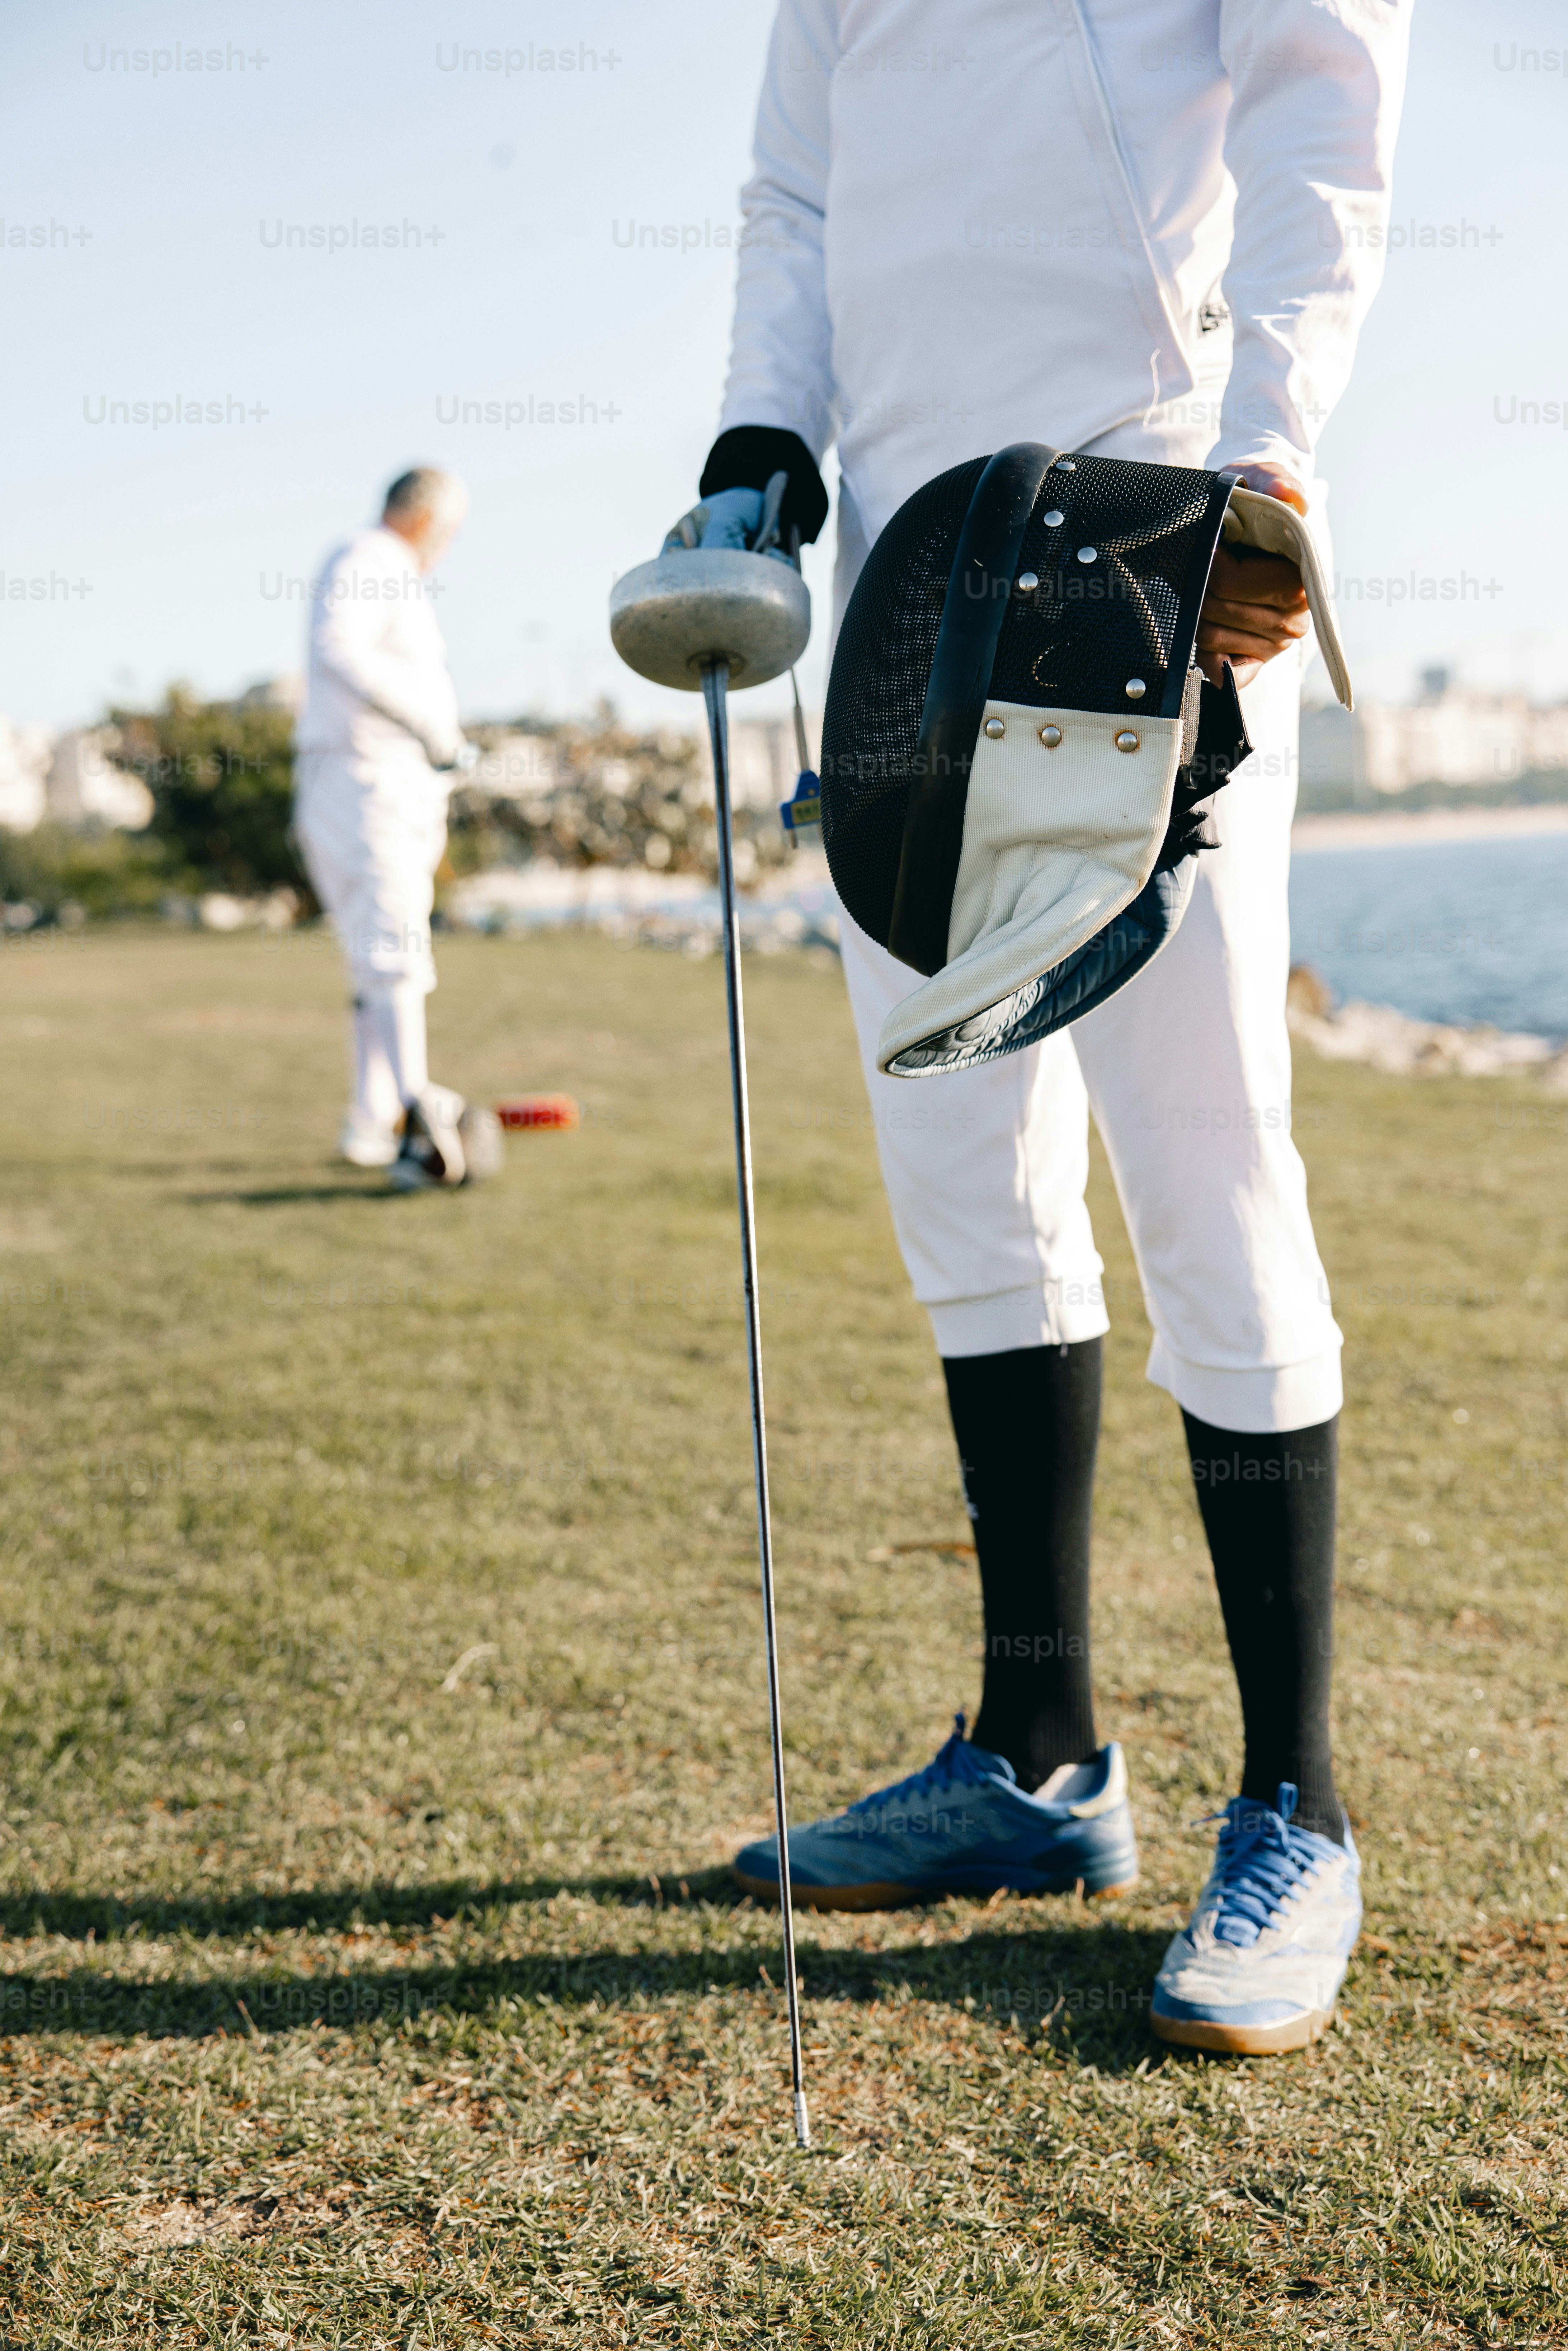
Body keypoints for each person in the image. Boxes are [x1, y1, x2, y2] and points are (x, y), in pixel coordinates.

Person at [700, 0, 1411, 2053]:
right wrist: (764, 434)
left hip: (1149, 540)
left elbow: (1320, 104)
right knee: (967, 1181)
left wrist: (1271, 452)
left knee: (1204, 1165)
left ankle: (1294, 1796)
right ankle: (1036, 1758)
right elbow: (793, 189)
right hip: (908, 577)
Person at [294, 467, 491, 1186]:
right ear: (428, 517)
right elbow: (338, 648)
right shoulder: (371, 559)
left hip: (366, 782)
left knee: (376, 957)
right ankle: (420, 1126)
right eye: (450, 531)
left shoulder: (382, 568)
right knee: (394, 949)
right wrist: (433, 729)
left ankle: (372, 1117)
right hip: (366, 781)